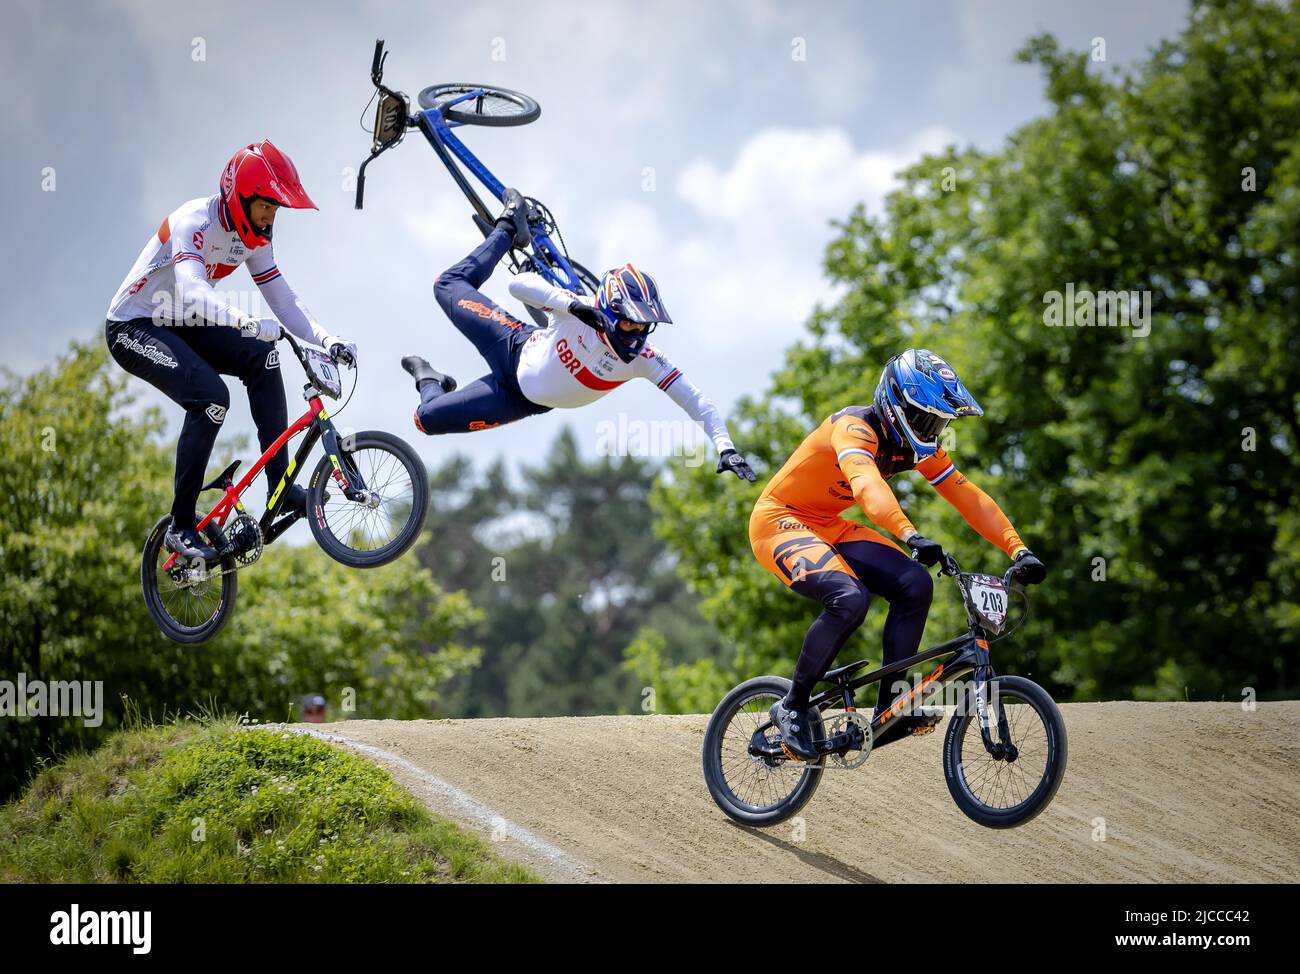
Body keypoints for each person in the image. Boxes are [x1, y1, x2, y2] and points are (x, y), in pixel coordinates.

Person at [749, 349, 1047, 759]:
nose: (933, 430)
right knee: (850, 599)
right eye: (927, 419)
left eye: (939, 422)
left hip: (829, 525)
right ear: (895, 406)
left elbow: (967, 497)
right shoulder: (854, 428)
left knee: (914, 583)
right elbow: (865, 485)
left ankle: (893, 706)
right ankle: (793, 705)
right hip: (780, 521)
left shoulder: (916, 449)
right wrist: (910, 534)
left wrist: (1018, 548)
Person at [105, 140, 358, 564]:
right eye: (266, 207)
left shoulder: (254, 238)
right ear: (240, 197)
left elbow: (283, 299)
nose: (270, 218)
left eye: (276, 211)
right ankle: (181, 525)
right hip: (135, 324)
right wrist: (243, 320)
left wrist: (326, 339)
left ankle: (280, 483)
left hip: (182, 321)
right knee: (211, 400)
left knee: (264, 356)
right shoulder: (193, 222)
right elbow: (192, 289)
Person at [400, 189, 756, 481]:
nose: (636, 332)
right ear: (611, 312)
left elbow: (698, 402)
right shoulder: (583, 310)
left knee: (425, 419)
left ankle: (431, 378)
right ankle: (509, 225)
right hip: (512, 343)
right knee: (446, 284)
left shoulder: (645, 361)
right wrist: (569, 307)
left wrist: (726, 447)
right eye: (630, 322)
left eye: (644, 325)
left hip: (520, 400)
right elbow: (517, 285)